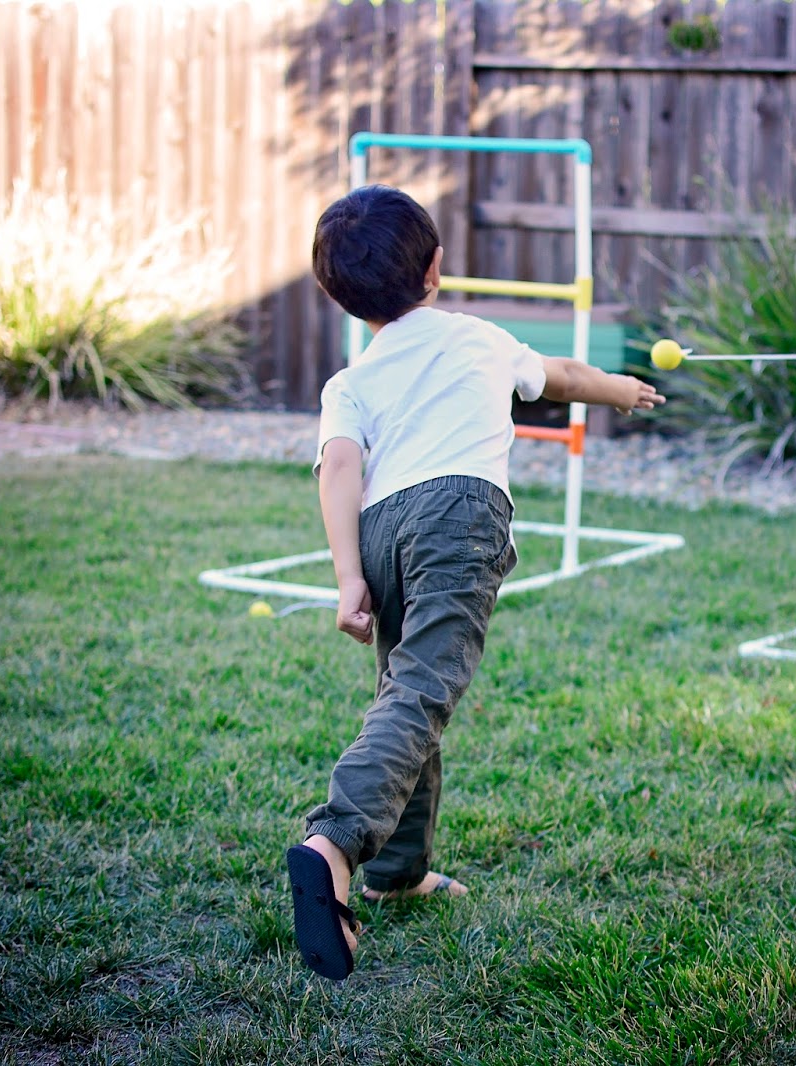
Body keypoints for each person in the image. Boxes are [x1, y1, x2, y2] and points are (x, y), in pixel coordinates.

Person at [286, 185, 664, 981]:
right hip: (459, 517)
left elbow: (340, 467)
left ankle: (397, 871)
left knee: (406, 693)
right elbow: (557, 376)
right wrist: (621, 390)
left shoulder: (350, 382)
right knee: (420, 693)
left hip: (382, 531)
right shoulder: (480, 338)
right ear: (434, 270)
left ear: (342, 300)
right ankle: (337, 840)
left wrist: (350, 576)